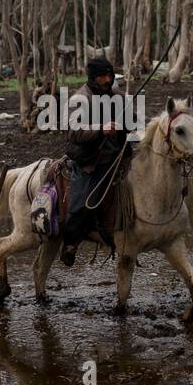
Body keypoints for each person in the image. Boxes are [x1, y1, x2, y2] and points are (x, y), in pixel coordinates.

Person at [61, 55, 129, 264]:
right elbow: (73, 132)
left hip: (118, 155)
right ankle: (71, 242)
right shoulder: (79, 99)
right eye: (103, 77)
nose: (108, 80)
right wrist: (100, 130)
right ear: (93, 78)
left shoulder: (115, 94)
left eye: (110, 75)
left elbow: (130, 120)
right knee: (84, 202)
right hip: (90, 158)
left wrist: (128, 119)